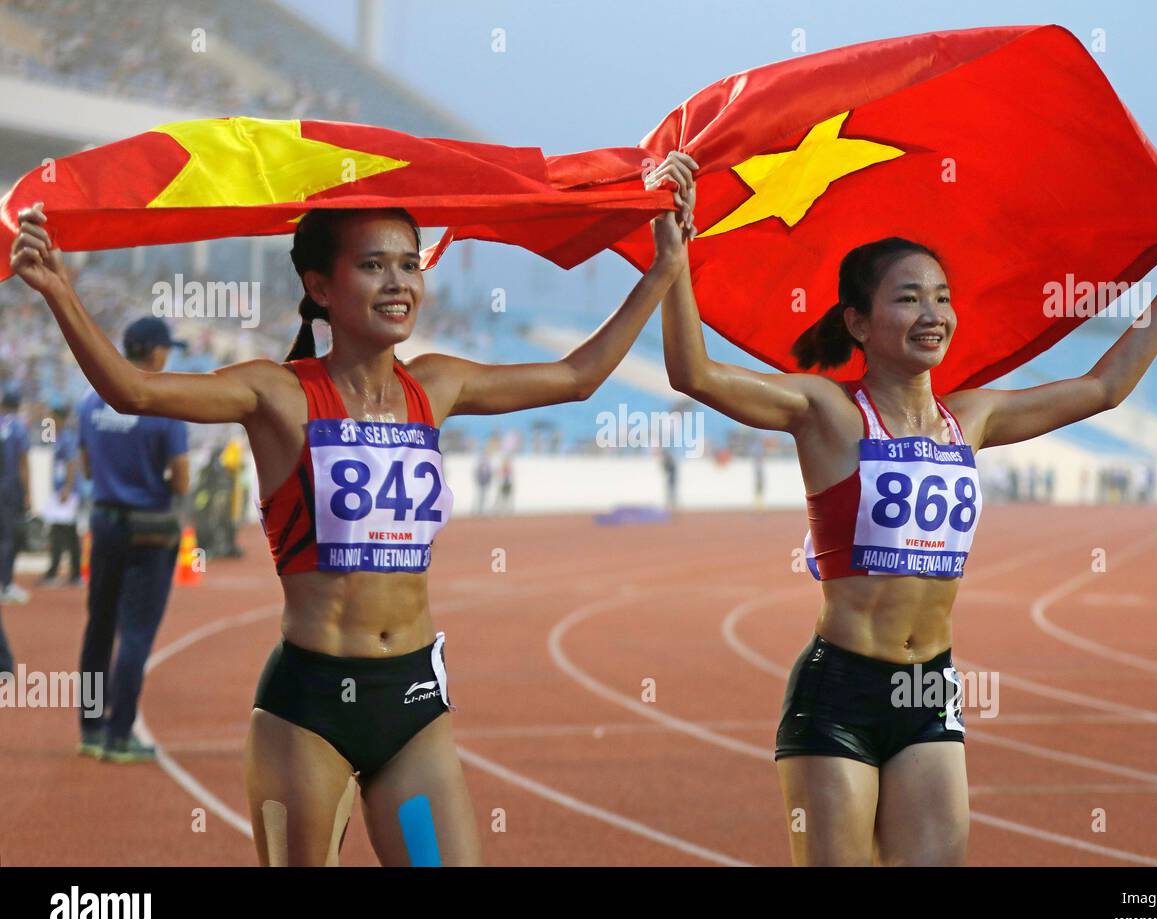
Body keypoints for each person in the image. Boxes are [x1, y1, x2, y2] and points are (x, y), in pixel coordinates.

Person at [10, 172, 691, 865]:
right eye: (373, 265)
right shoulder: (277, 394)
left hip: (414, 703)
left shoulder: (438, 384)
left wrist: (664, 268)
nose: (399, 283)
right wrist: (60, 290)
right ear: (321, 287)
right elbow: (133, 389)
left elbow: (577, 377)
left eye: (408, 263)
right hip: (309, 711)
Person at [653, 151, 1157, 865]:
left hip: (929, 689)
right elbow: (694, 373)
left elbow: (1104, 387)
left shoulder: (973, 419)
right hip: (839, 695)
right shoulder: (829, 413)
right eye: (909, 298)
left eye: (942, 296)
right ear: (858, 324)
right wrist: (672, 261)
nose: (933, 313)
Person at [73, 316, 190, 763]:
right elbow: (180, 480)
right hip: (150, 527)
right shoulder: (163, 404)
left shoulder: (90, 400)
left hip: (104, 522)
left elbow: (86, 467)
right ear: (156, 352)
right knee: (136, 632)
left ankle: (90, 727)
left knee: (98, 626)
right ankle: (121, 732)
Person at [39, 403, 83, 587]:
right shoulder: (57, 437)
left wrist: (67, 487)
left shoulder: (68, 438)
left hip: (66, 492)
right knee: (66, 531)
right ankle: (73, 573)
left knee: (62, 532)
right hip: (59, 491)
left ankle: (58, 571)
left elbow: (71, 464)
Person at [0, 387, 31, 606]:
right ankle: (6, 584)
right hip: (9, 489)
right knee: (7, 538)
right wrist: (28, 493)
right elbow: (23, 464)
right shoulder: (19, 427)